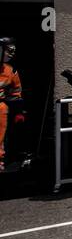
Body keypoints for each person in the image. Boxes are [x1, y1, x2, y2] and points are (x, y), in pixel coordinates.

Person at [0, 37, 24, 167]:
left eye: (13, 51)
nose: (11, 54)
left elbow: (15, 93)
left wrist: (18, 112)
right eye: (9, 50)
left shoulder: (11, 71)